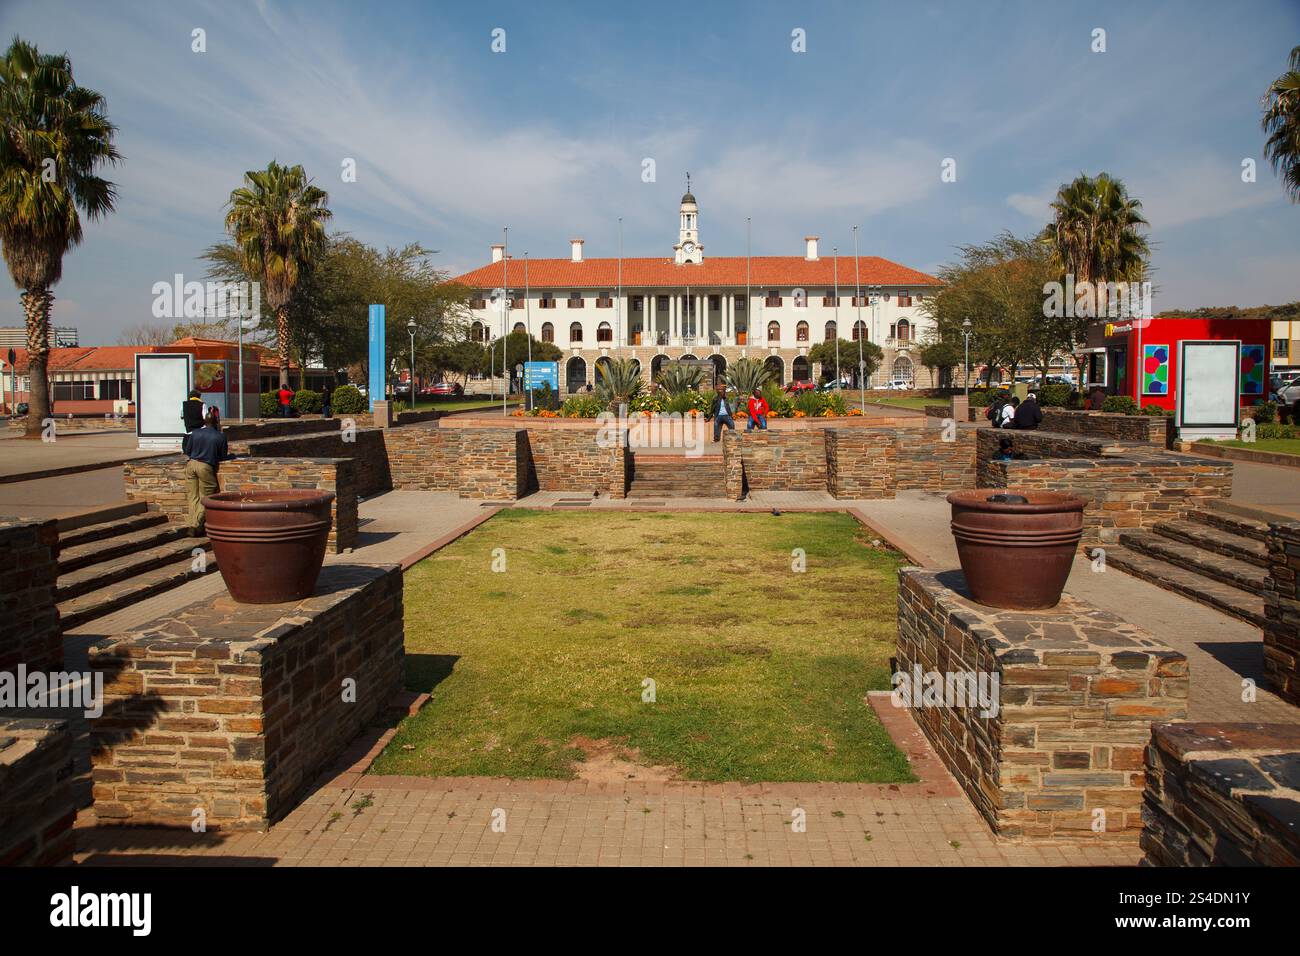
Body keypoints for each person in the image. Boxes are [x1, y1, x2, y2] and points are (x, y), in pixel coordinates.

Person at [183, 408, 234, 536]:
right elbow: (222, 456)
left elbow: (188, 451)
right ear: (216, 421)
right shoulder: (220, 436)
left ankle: (191, 523)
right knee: (206, 496)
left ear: (205, 421)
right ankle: (195, 525)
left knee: (193, 496)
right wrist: (232, 456)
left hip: (191, 464)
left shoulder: (195, 433)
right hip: (205, 465)